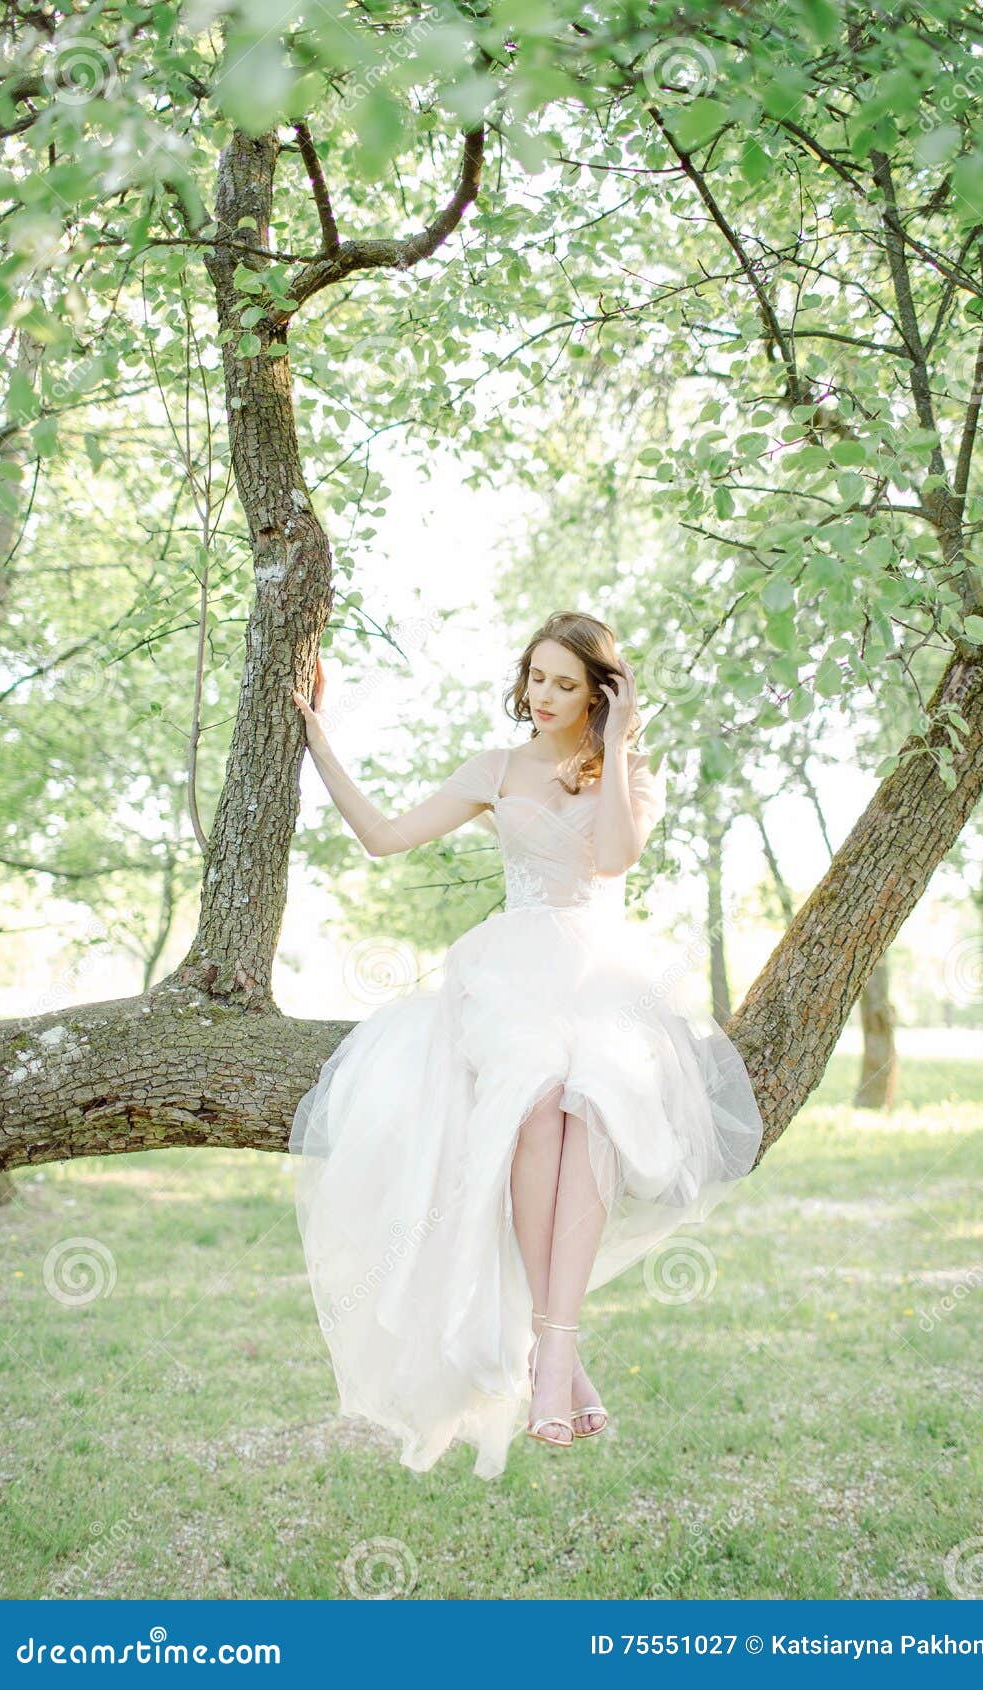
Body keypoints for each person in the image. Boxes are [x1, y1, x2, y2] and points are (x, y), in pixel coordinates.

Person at [288, 610, 764, 1479]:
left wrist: (616, 746)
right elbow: (384, 836)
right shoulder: (494, 770)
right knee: (536, 1101)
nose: (542, 697)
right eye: (535, 677)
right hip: (511, 970)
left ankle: (554, 1353)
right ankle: (556, 1355)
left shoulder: (624, 773)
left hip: (602, 975)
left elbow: (614, 861)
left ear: (599, 694)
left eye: (564, 684)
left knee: (593, 1102)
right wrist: (320, 740)